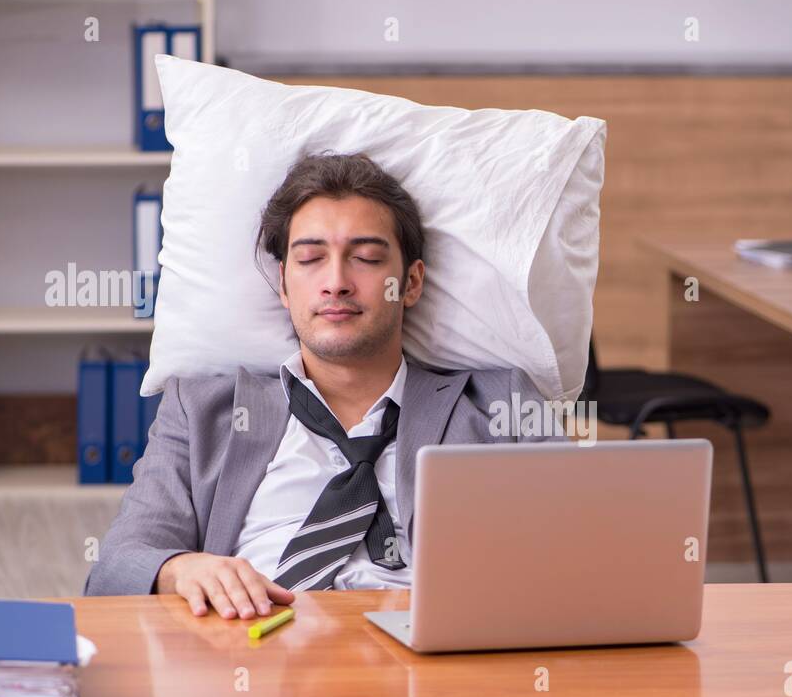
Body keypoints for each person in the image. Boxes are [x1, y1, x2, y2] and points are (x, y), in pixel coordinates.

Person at [85, 153, 561, 617]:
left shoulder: (501, 403)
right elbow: (114, 571)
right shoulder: (203, 409)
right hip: (256, 665)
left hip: (438, 672)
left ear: (411, 283)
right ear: (285, 286)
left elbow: (581, 549)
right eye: (311, 258)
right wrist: (180, 568)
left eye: (367, 258)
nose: (336, 282)